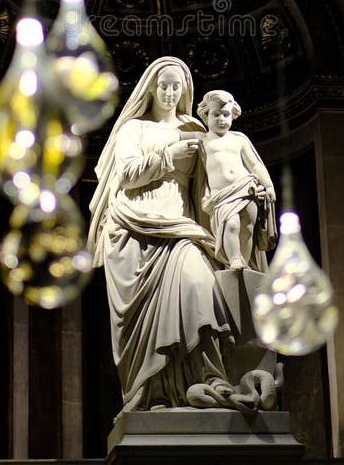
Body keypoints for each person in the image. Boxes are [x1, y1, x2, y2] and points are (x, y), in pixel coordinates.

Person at [88, 56, 235, 412]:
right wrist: (167, 156)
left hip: (182, 224)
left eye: (177, 86)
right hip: (135, 225)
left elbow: (215, 180)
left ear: (186, 91)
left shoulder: (195, 130)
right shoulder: (133, 130)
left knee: (199, 283)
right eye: (163, 85)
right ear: (151, 88)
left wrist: (244, 196)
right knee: (142, 320)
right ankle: (150, 392)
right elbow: (125, 176)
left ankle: (210, 378)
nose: (169, 93)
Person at [196, 90, 277, 271]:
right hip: (222, 196)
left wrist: (269, 185)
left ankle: (244, 263)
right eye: (216, 115)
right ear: (205, 115)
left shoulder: (239, 139)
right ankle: (233, 259)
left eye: (226, 115)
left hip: (246, 189)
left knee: (247, 229)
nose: (222, 119)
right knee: (230, 225)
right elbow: (176, 136)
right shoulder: (202, 140)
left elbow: (255, 165)